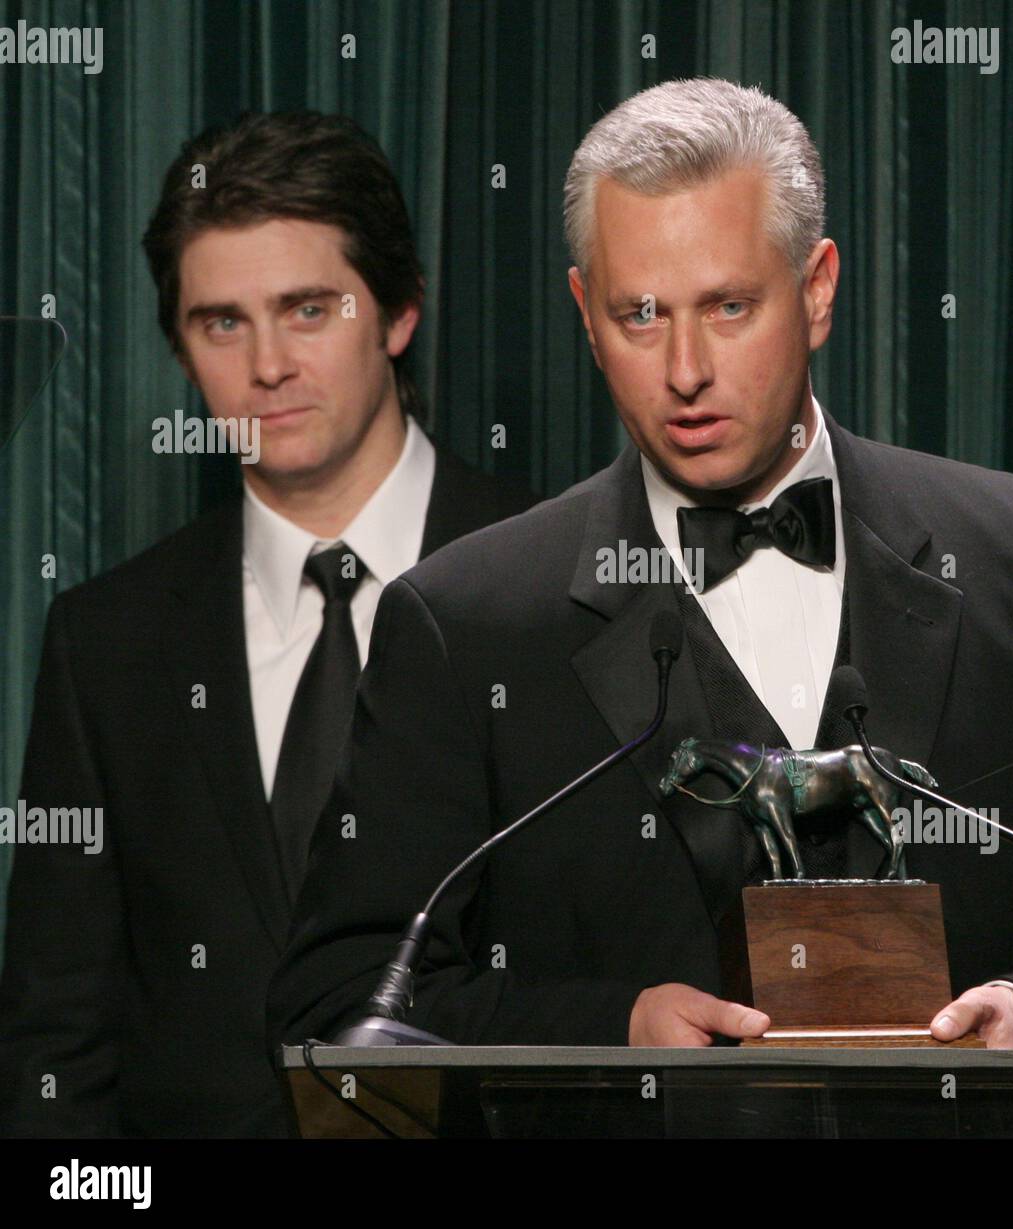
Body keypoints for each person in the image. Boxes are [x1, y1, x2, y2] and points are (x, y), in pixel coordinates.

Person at [267, 80, 1013, 1056]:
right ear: (585, 314)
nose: (685, 368)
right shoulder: (466, 621)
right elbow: (344, 998)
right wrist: (614, 1032)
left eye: (729, 305)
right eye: (641, 314)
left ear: (816, 290)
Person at [0, 111, 536, 1137]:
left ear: (398, 311)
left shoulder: (556, 578)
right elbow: (53, 1038)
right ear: (182, 347)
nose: (269, 364)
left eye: (307, 308)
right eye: (221, 322)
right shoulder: (106, 641)